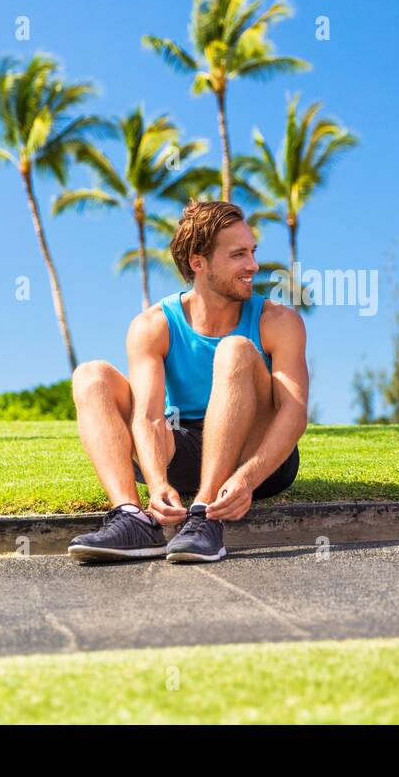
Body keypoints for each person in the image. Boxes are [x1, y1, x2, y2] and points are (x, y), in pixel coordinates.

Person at [67, 200, 308, 564]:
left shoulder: (277, 320)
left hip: (257, 454)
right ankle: (131, 519)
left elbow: (293, 411)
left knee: (236, 350)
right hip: (180, 446)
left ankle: (205, 514)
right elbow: (148, 416)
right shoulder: (153, 325)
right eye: (238, 255)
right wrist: (158, 482)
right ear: (199, 262)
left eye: (253, 252)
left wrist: (247, 478)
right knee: (91, 375)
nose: (253, 266)